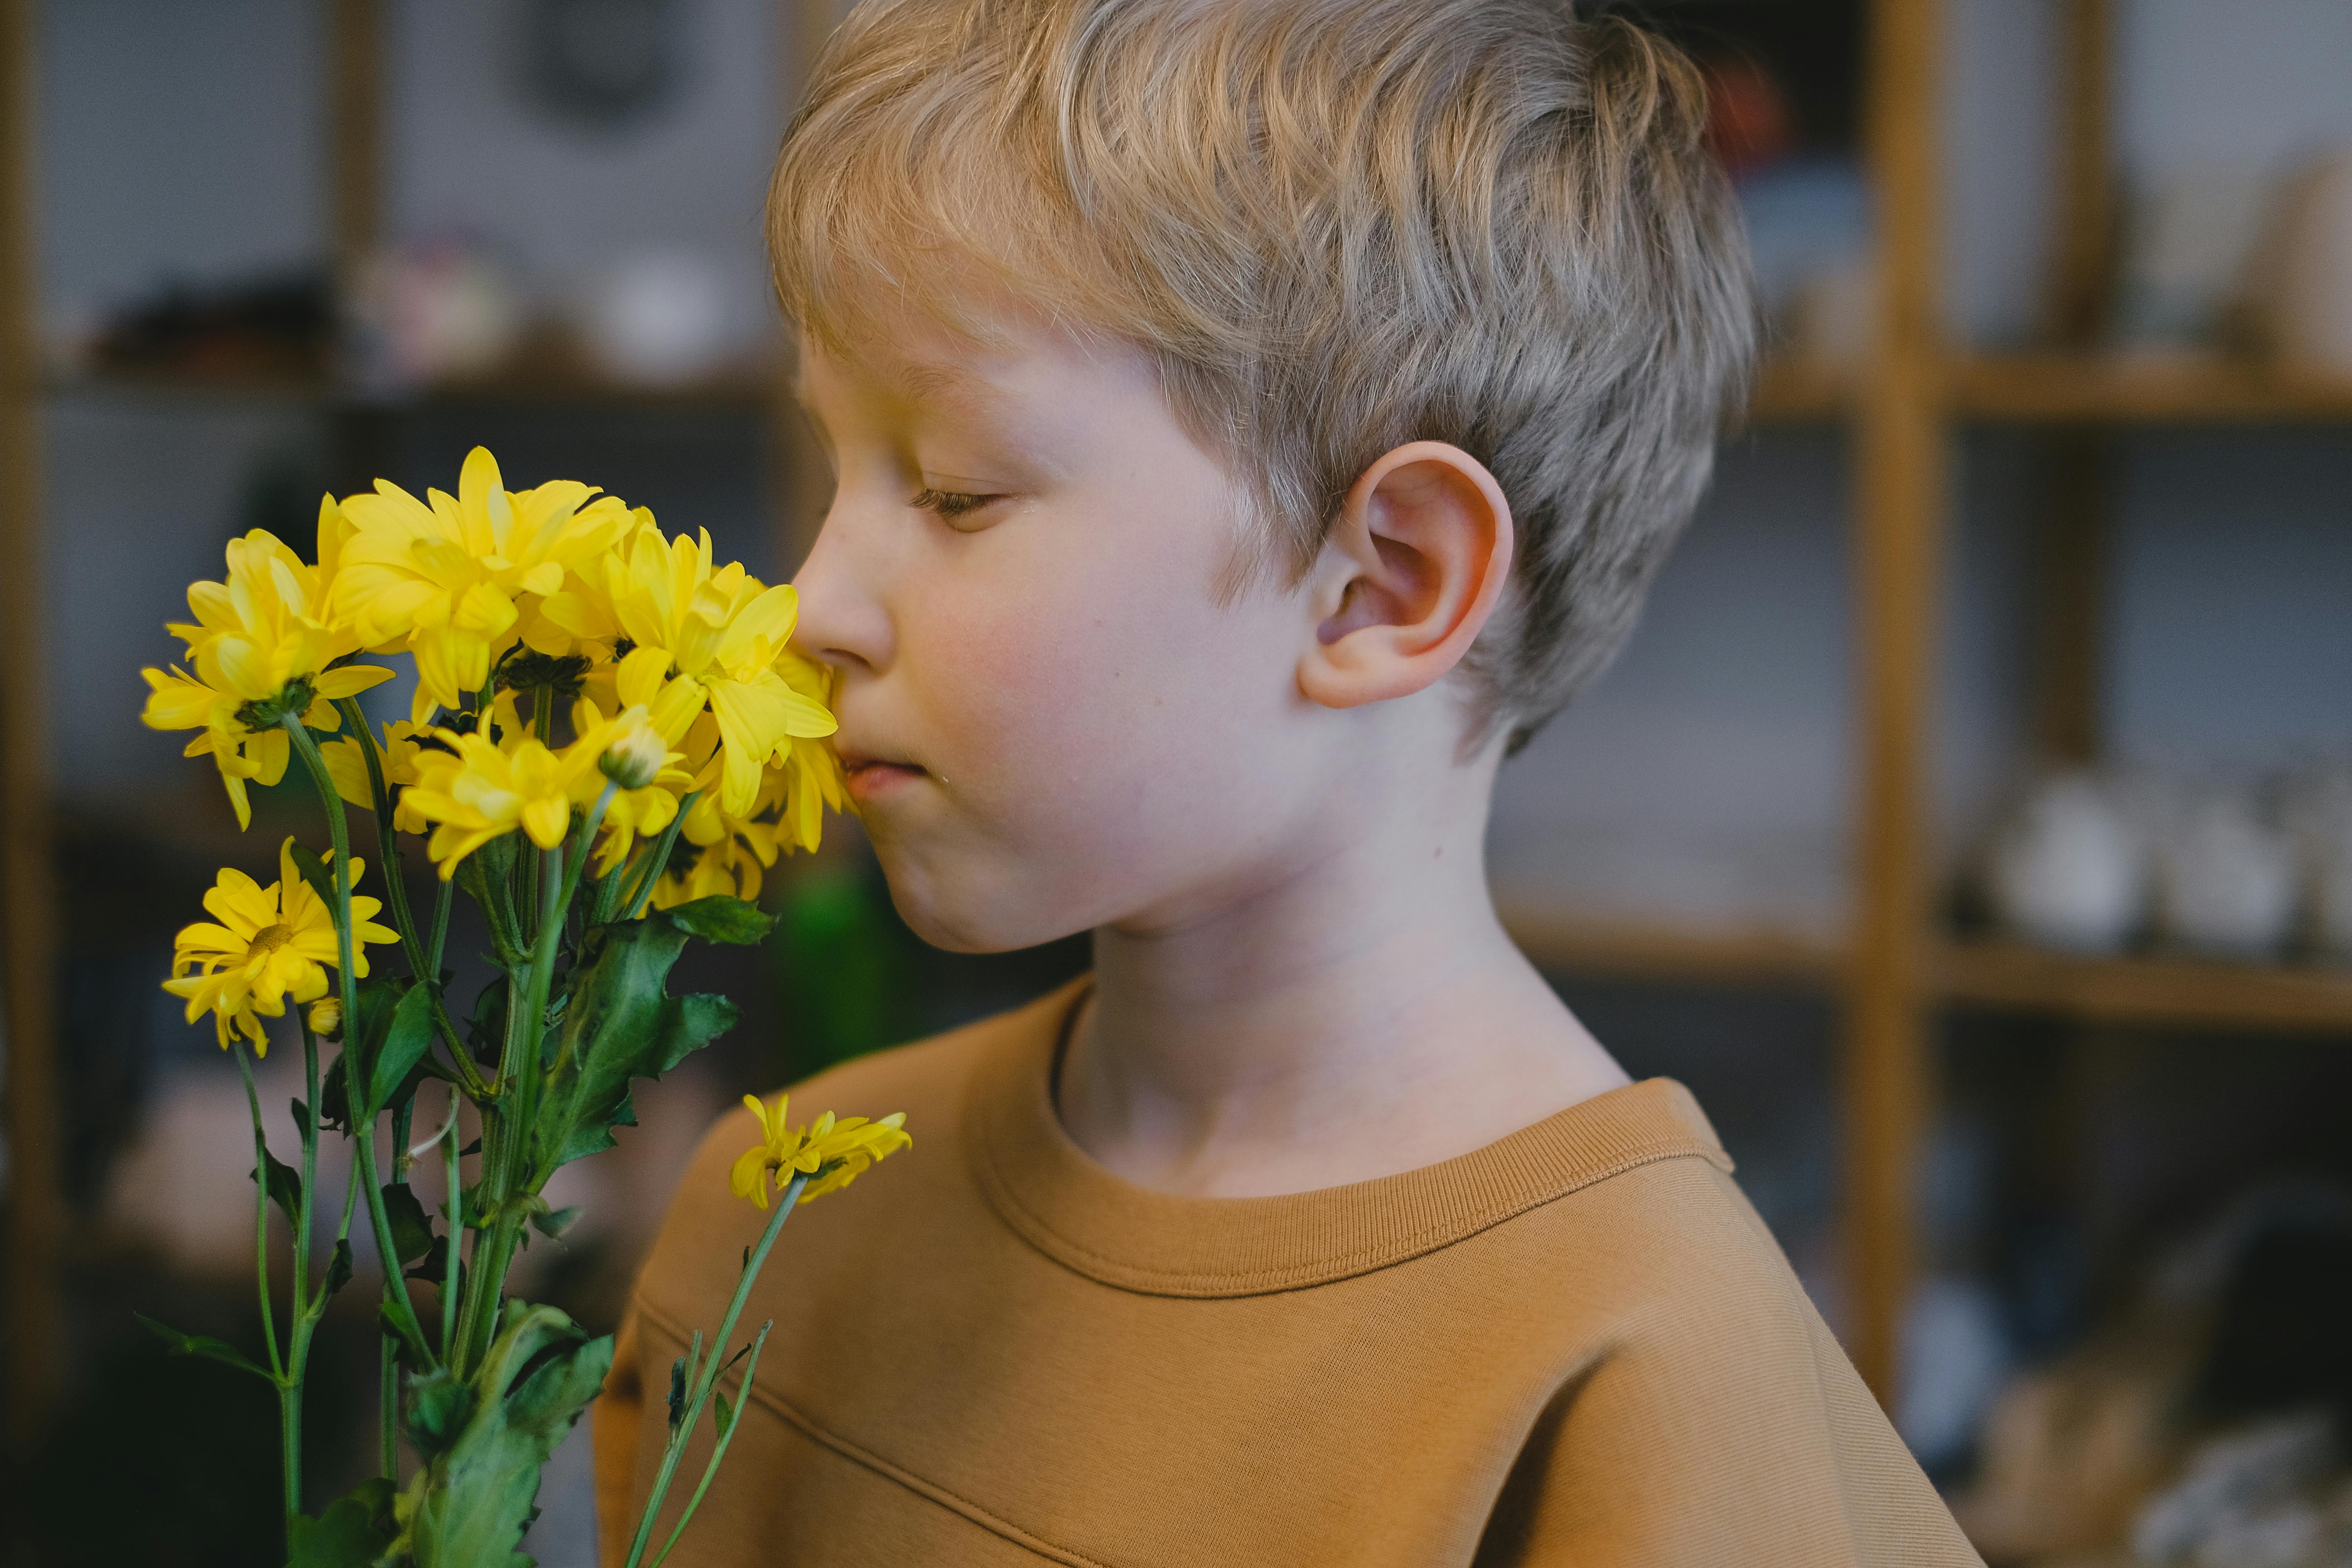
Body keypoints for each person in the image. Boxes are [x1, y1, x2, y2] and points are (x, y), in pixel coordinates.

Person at [595, 0, 1982, 1561]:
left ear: (1383, 584)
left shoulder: (1643, 1358)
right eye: (839, 467)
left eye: (958, 490)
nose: (811, 602)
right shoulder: (781, 1206)